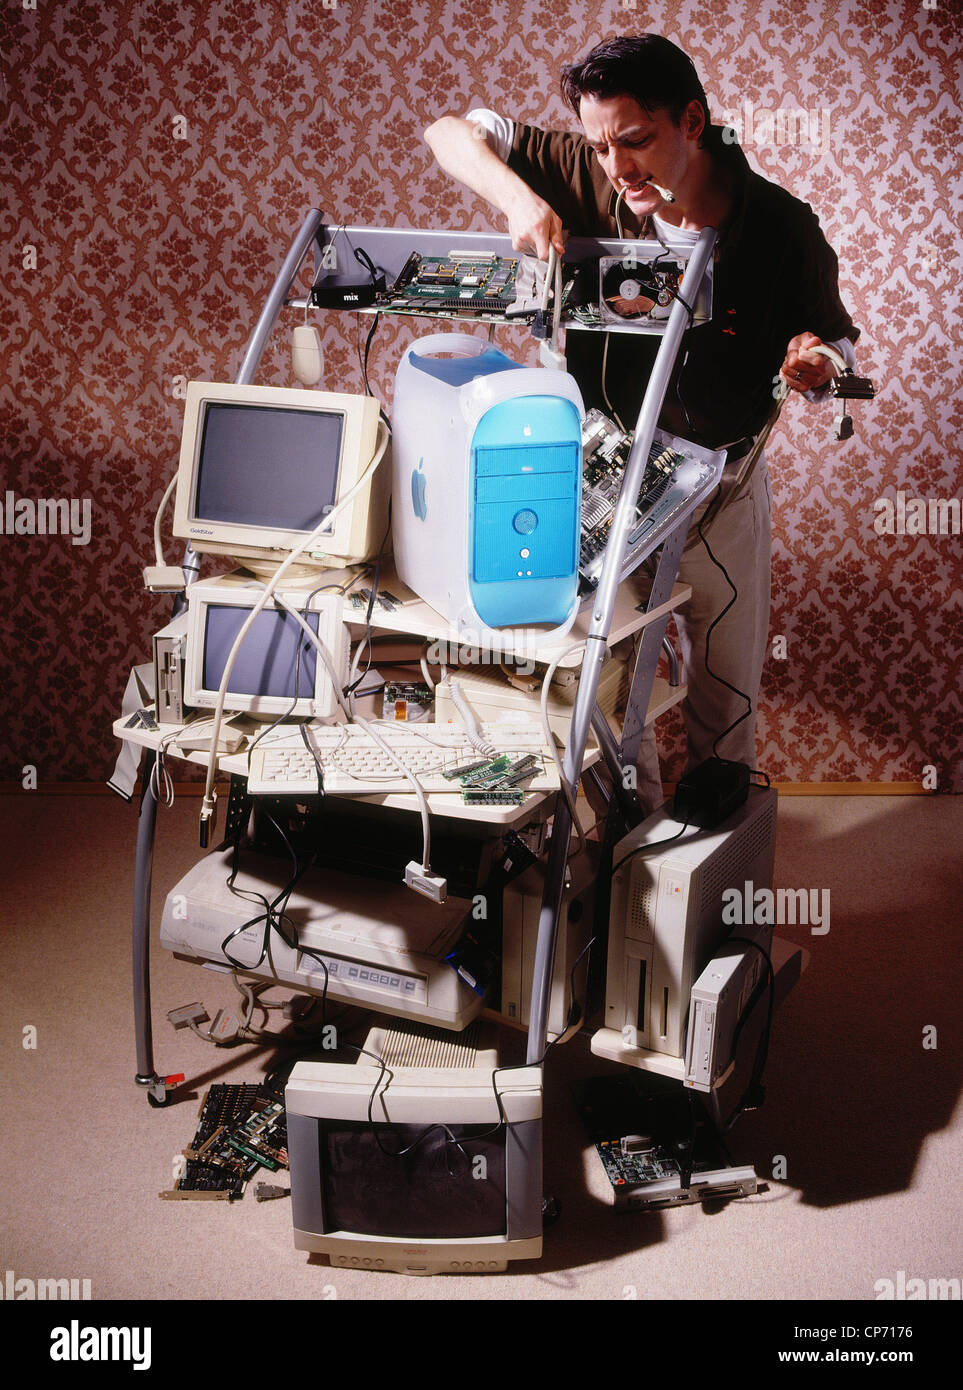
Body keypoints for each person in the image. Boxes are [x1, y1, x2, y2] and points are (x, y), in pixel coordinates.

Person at [424, 34, 860, 811]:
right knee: (603, 679)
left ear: (691, 121)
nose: (616, 169)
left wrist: (816, 360)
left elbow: (834, 340)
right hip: (605, 486)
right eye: (599, 146)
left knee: (722, 693)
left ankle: (708, 865)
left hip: (721, 489)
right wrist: (522, 200)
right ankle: (628, 849)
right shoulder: (582, 169)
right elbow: (449, 132)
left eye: (634, 141)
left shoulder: (780, 226)